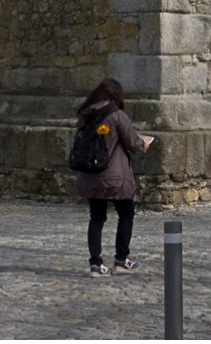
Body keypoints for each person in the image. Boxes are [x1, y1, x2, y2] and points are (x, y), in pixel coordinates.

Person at [72, 78, 155, 276]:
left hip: (90, 175)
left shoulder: (85, 115)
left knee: (96, 218)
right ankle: (121, 259)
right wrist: (143, 143)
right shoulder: (117, 115)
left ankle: (95, 264)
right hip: (115, 177)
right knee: (126, 214)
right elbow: (132, 142)